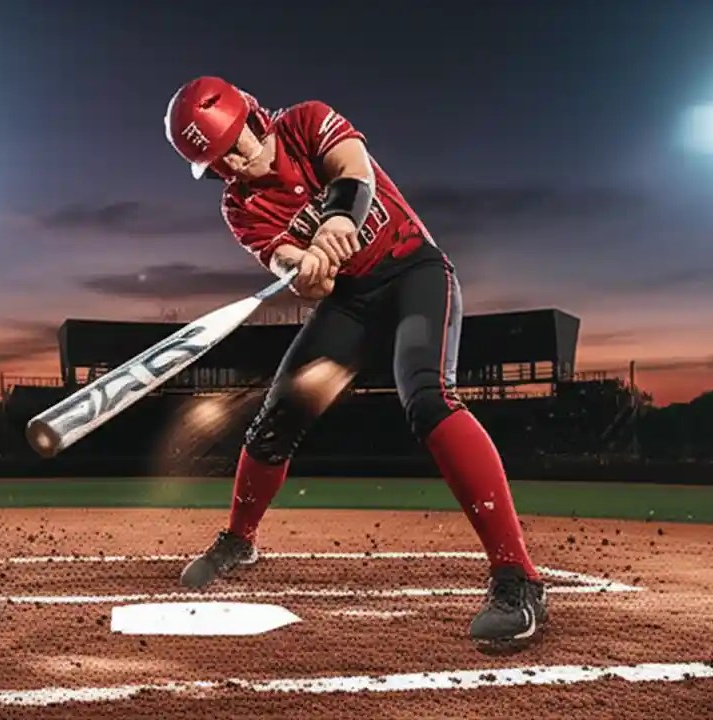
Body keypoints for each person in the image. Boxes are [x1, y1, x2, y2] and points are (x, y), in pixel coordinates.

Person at [162, 76, 547, 648]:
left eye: (232, 150)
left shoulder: (305, 120)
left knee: (428, 399)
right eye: (215, 164)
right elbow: (291, 267)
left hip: (413, 271)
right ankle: (240, 541)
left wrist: (339, 220)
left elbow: (353, 170)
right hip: (351, 303)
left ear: (250, 117)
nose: (231, 168)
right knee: (276, 419)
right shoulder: (239, 207)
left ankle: (518, 578)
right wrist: (307, 268)